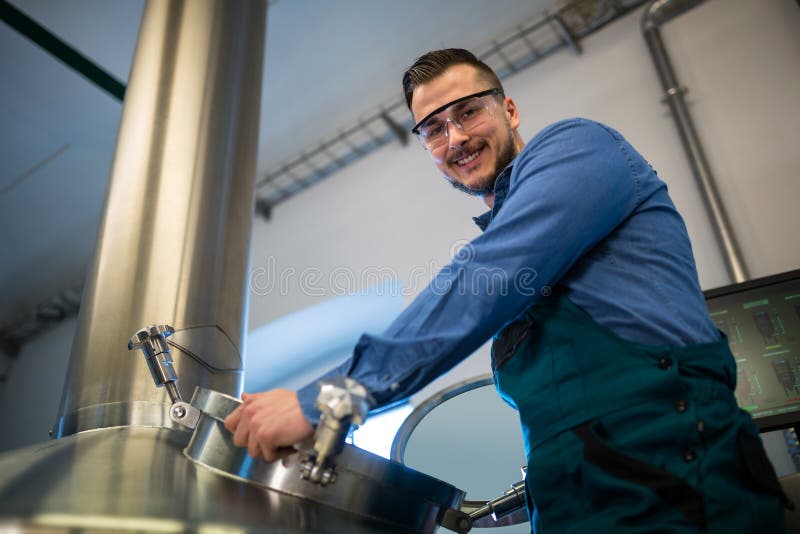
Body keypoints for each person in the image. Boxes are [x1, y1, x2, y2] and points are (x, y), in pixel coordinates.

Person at [225, 49, 789, 532]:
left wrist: (330, 399)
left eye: (468, 111)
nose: (457, 137)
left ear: (509, 108)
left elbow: (488, 275)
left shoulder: (578, 147)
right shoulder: (510, 259)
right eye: (434, 129)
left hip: (681, 484)